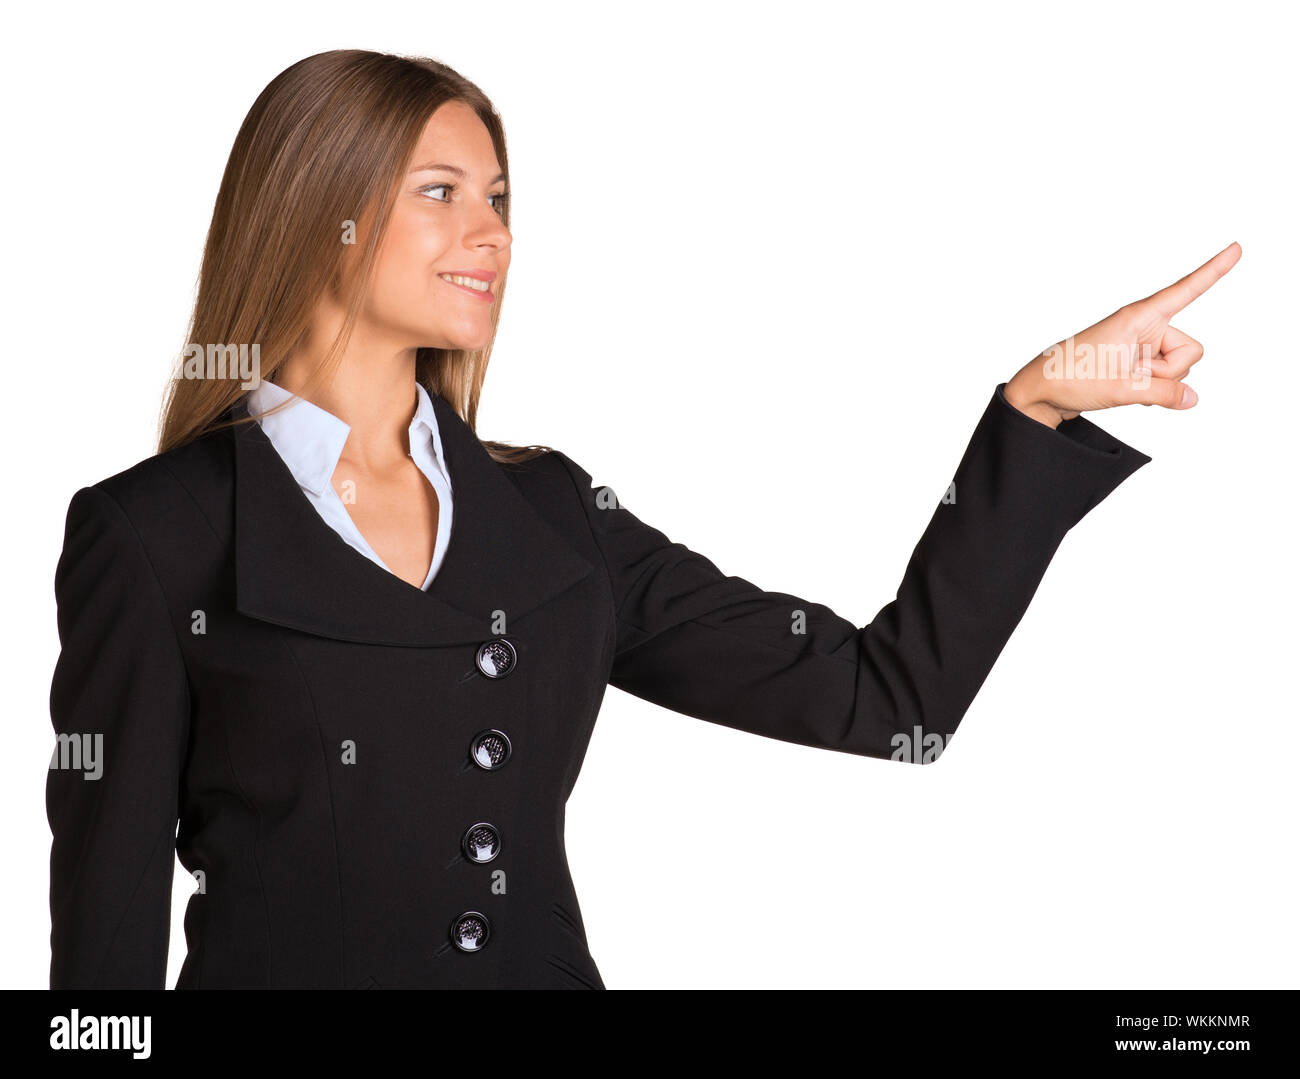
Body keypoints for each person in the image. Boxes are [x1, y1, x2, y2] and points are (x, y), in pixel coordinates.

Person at [46, 49, 1240, 989]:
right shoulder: (151, 536)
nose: (493, 234)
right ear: (319, 209)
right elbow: (103, 938)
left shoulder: (550, 512)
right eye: (442, 191)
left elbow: (891, 701)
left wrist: (1029, 413)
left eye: (501, 197)